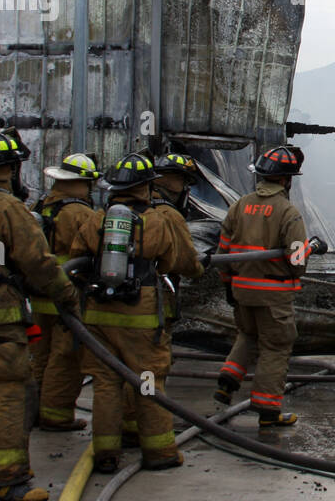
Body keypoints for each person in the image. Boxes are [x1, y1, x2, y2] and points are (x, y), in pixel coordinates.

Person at [0, 130, 82, 501]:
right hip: (1, 313)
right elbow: (38, 262)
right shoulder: (6, 207)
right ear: (8, 168)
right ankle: (9, 480)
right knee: (12, 391)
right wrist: (66, 295)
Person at [68, 153, 204, 473]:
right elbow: (178, 262)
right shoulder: (159, 220)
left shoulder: (96, 219)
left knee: (105, 382)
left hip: (98, 311)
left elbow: (77, 258)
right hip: (139, 311)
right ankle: (160, 452)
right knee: (148, 380)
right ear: (146, 187)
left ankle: (106, 454)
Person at [214, 145, 325, 426]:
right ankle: (268, 412)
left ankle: (226, 382)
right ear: (287, 180)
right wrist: (313, 246)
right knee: (275, 347)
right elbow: (297, 261)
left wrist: (229, 285)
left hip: (241, 291)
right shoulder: (288, 213)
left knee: (248, 335)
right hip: (273, 295)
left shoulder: (239, 206)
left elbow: (223, 252)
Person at [119, 151, 201, 448]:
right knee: (151, 371)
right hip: (150, 305)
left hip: (109, 306)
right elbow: (186, 263)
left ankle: (123, 432)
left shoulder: (119, 209)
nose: (184, 187)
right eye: (182, 180)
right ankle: (158, 447)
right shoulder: (168, 216)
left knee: (119, 372)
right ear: (172, 181)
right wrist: (199, 265)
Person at [29, 152, 99, 431]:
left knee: (40, 356)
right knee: (65, 357)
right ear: (82, 183)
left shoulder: (40, 207)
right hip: (67, 296)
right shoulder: (81, 214)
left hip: (38, 295)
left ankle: (32, 411)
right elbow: (96, 251)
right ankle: (56, 416)